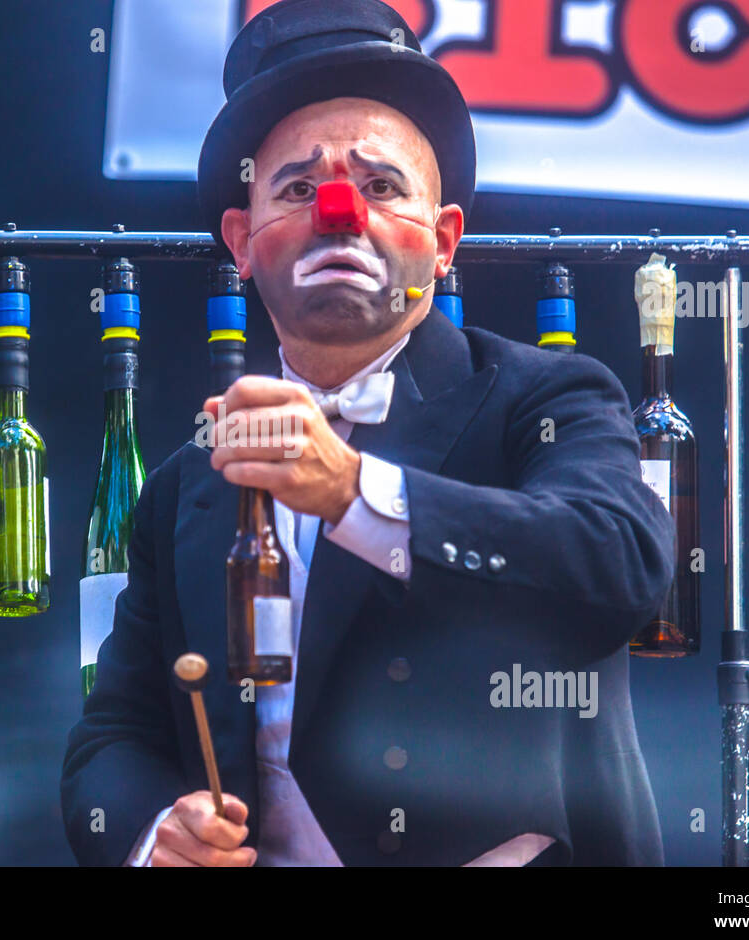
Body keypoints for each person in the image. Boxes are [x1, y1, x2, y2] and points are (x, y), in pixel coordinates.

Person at [61, 0, 675, 866]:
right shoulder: (181, 490)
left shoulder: (547, 397)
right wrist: (155, 830)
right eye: (298, 189)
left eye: (382, 187)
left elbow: (625, 569)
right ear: (241, 241)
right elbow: (113, 731)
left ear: (444, 239)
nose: (340, 211)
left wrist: (354, 492)